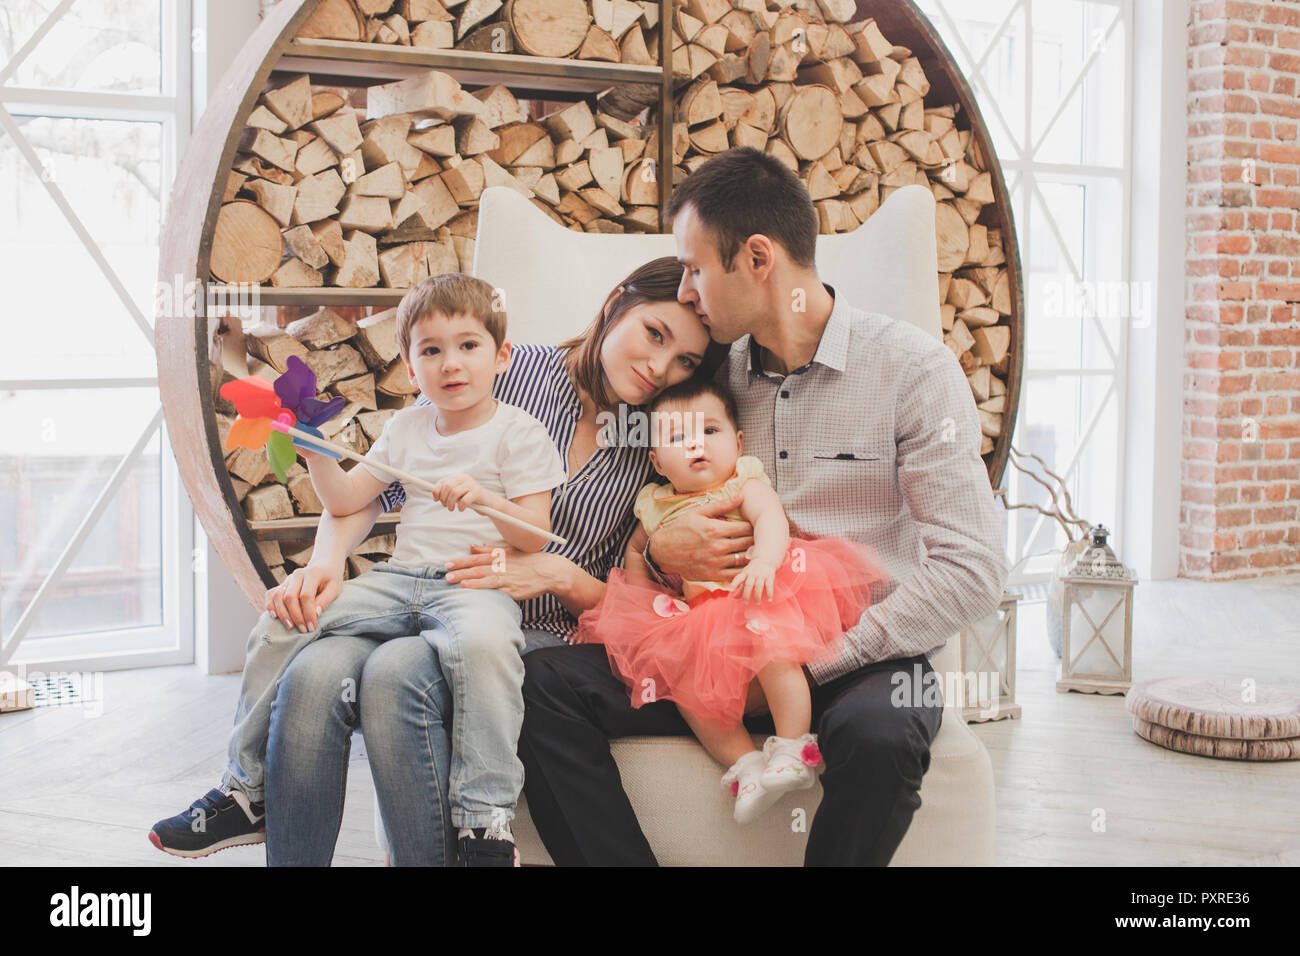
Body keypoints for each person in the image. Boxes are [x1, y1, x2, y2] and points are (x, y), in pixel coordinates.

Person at [518, 146, 1009, 866]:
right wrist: (658, 554)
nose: (685, 293)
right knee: (540, 687)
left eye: (694, 268)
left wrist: (811, 668)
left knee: (884, 733)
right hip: (709, 641)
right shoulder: (704, 376)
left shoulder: (913, 371)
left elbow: (973, 567)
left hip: (860, 647)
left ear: (755, 258)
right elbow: (638, 496)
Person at [251, 257, 721, 865]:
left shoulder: (669, 434)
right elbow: (376, 489)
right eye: (655, 333)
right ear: (616, 304)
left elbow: (640, 590)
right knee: (314, 672)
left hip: (543, 630)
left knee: (397, 674)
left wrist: (563, 576)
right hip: (429, 592)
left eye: (685, 360)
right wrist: (324, 563)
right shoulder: (501, 365)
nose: (660, 367)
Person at [150, 273, 568, 865]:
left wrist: (484, 499)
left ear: (501, 356)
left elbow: (533, 539)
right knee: (281, 623)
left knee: (484, 644)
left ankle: (484, 823)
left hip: (476, 578)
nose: (451, 364)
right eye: (431, 350)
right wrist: (317, 451)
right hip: (401, 581)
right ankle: (243, 793)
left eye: (468, 346)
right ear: (408, 363)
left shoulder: (520, 432)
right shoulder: (404, 427)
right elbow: (347, 500)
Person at [574, 379, 887, 824]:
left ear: (738, 442)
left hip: (757, 594)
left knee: (776, 657)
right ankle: (746, 764)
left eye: (710, 432)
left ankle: (793, 747)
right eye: (677, 438)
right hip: (699, 619)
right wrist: (644, 594)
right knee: (690, 694)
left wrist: (763, 561)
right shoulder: (655, 503)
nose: (695, 445)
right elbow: (635, 549)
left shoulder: (742, 482)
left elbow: (771, 520)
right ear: (656, 460)